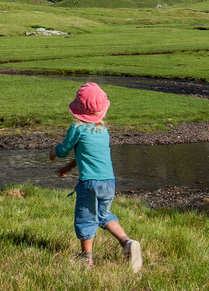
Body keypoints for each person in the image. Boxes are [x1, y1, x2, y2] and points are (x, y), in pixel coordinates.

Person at [50, 82, 142, 273]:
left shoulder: (78, 129)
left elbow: (65, 149)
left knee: (86, 217)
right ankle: (126, 242)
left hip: (89, 183)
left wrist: (54, 153)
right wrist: (67, 167)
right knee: (103, 215)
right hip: (109, 182)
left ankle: (86, 259)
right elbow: (87, 155)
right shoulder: (103, 131)